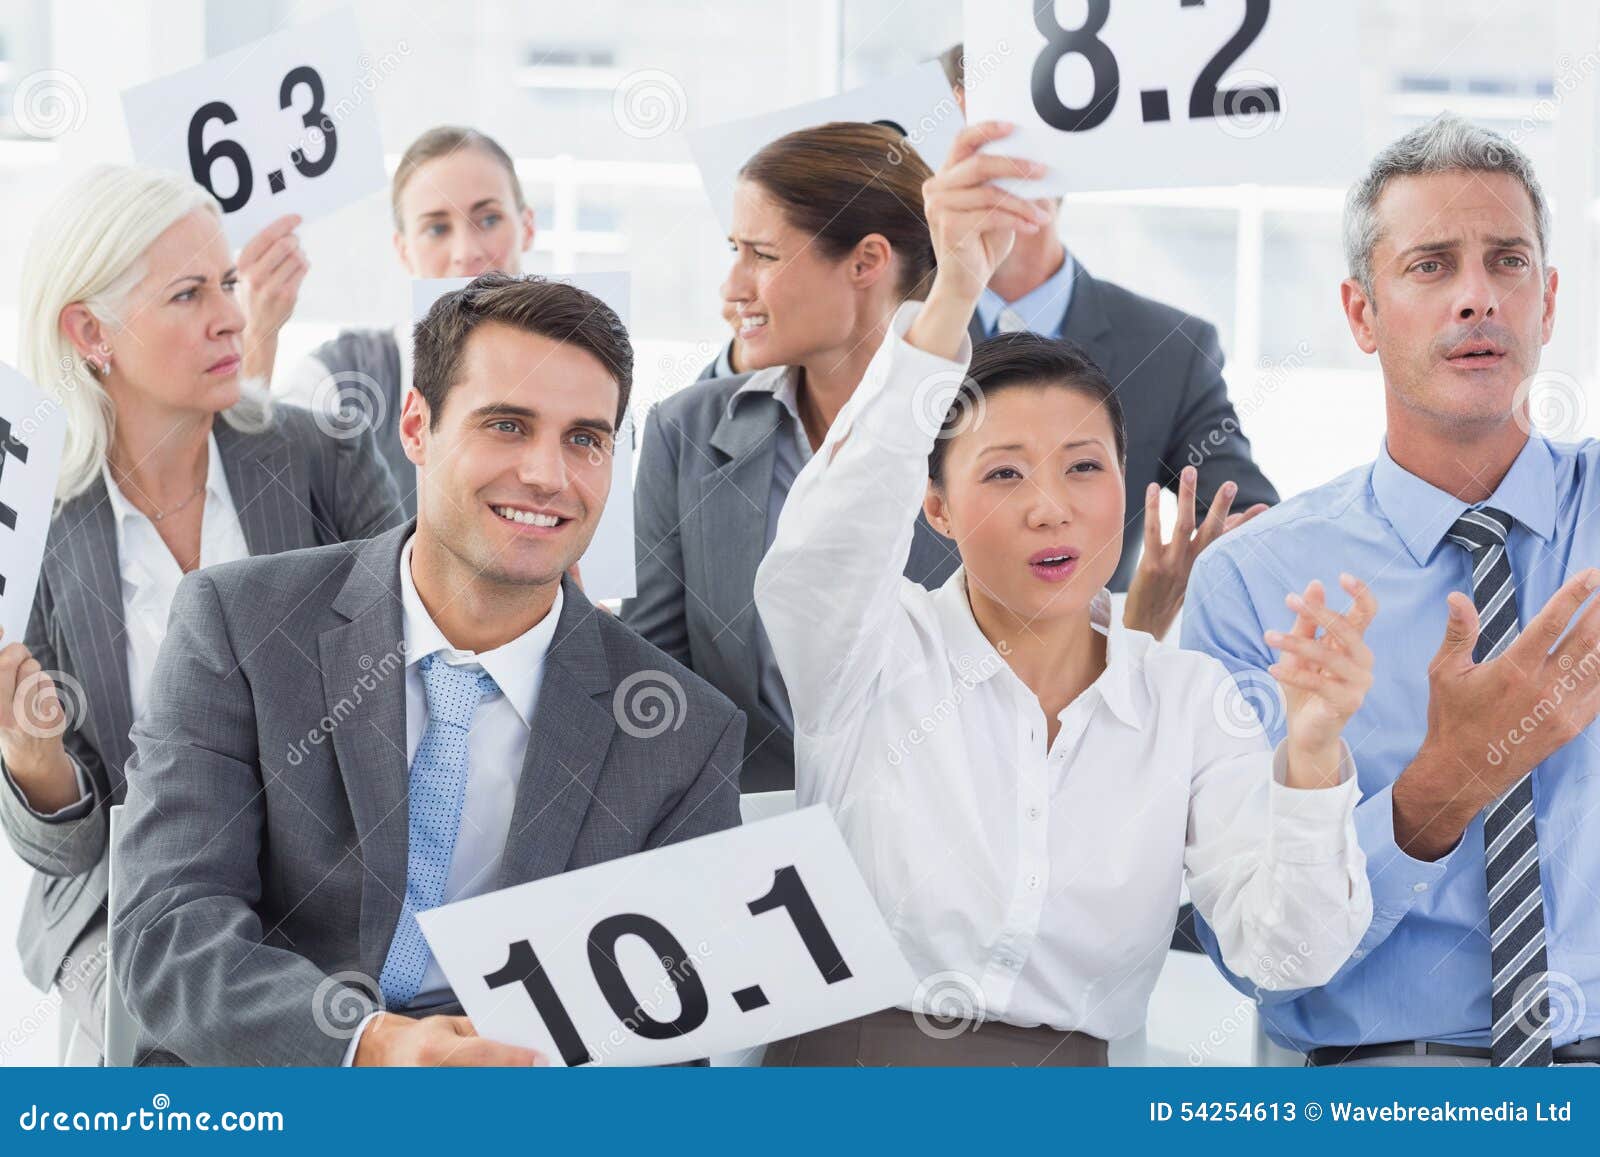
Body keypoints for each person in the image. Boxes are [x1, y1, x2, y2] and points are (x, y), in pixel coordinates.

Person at [753, 122, 1375, 1066]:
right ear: (937, 508)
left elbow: (1285, 951)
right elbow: (824, 545)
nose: (1053, 508)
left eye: (1086, 467)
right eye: (1003, 474)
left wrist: (1316, 759)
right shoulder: (868, 654)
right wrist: (954, 290)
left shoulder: (1188, 703)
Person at [112, 273, 744, 1066]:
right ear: (416, 426)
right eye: (508, 425)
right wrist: (369, 1047)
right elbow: (169, 925)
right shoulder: (238, 625)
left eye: (585, 438)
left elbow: (665, 1031)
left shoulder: (682, 729)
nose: (549, 475)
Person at [630, 122, 1259, 793]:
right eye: (736, 251)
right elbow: (657, 681)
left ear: (867, 262)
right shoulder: (688, 428)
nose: (730, 288)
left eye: (760, 254)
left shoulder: (991, 440)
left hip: (960, 834)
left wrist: (1136, 628)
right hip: (744, 848)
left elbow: (1046, 664)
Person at [1183, 114, 1600, 1067]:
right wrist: (1437, 791)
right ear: (1362, 312)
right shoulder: (1257, 586)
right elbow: (1259, 957)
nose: (1478, 299)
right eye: (1431, 266)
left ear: (1548, 301)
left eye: (1508, 263)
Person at [0, 165, 402, 1064]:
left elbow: (419, 641)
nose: (231, 314)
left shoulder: (319, 454)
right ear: (89, 330)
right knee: (176, 1045)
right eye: (189, 294)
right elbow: (64, 852)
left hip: (328, 872)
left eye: (227, 282)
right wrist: (34, 762)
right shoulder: (33, 522)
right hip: (128, 895)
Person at [694, 45, 1279, 614]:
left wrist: (1159, 614)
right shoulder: (883, 318)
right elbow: (727, 435)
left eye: (1026, 133)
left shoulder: (1169, 345)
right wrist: (751, 350)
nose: (1007, 162)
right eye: (980, 139)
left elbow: (1248, 526)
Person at [265, 126, 537, 515]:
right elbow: (265, 497)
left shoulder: (581, 372)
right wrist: (259, 333)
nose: (466, 252)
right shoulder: (338, 381)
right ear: (404, 250)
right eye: (437, 228)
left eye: (489, 220)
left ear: (526, 227)